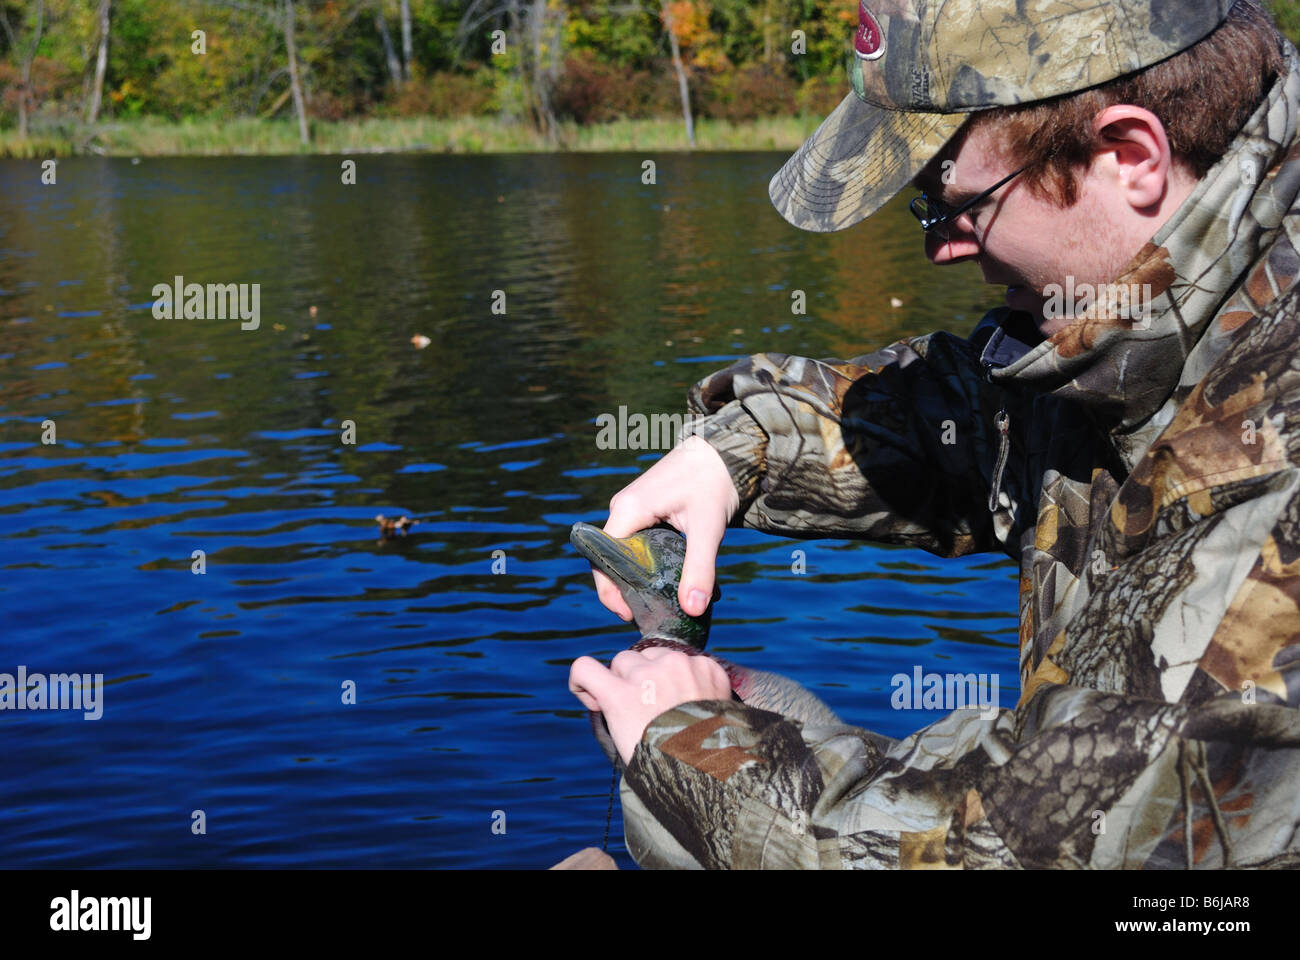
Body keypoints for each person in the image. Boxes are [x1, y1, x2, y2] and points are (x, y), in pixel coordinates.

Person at [568, 0, 1300, 868]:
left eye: (949, 204)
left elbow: (1027, 851)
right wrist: (739, 453)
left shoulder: (1274, 468)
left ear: (1128, 155)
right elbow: (989, 420)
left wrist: (686, 741)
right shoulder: (1156, 310)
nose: (940, 250)